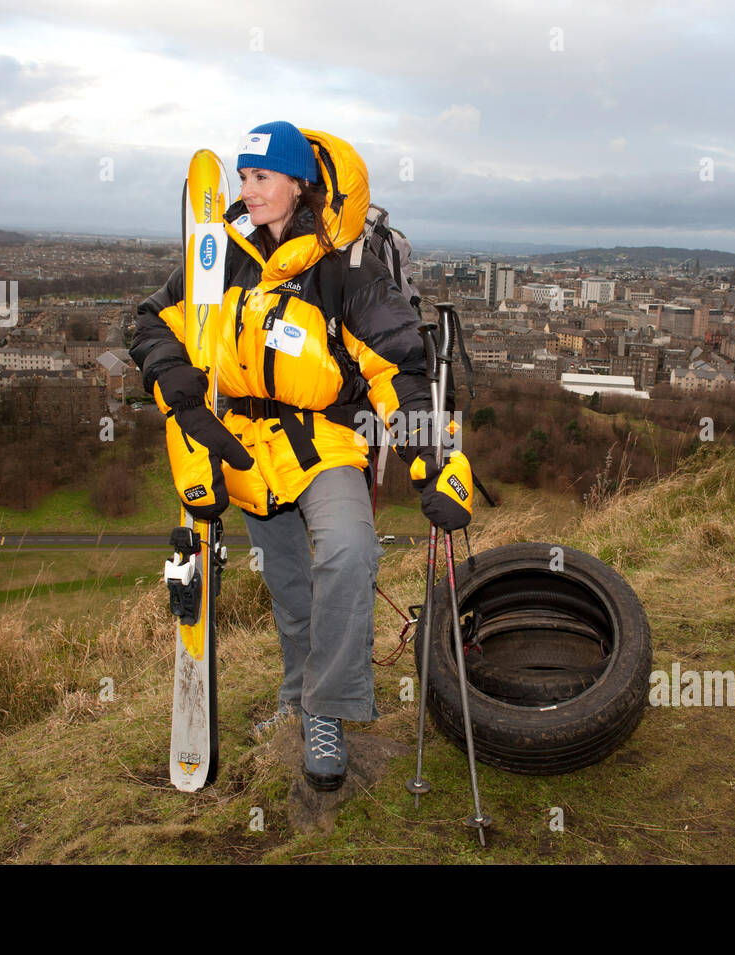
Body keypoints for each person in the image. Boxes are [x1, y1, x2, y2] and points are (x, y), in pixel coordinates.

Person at [130, 121, 473, 792]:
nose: (248, 190)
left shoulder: (345, 265)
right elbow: (151, 322)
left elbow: (396, 369)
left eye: (262, 177)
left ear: (299, 184)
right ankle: (296, 693)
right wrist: (172, 377)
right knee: (289, 589)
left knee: (348, 550)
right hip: (241, 452)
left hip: (323, 442)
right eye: (243, 177)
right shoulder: (219, 255)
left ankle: (328, 712)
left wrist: (432, 459)